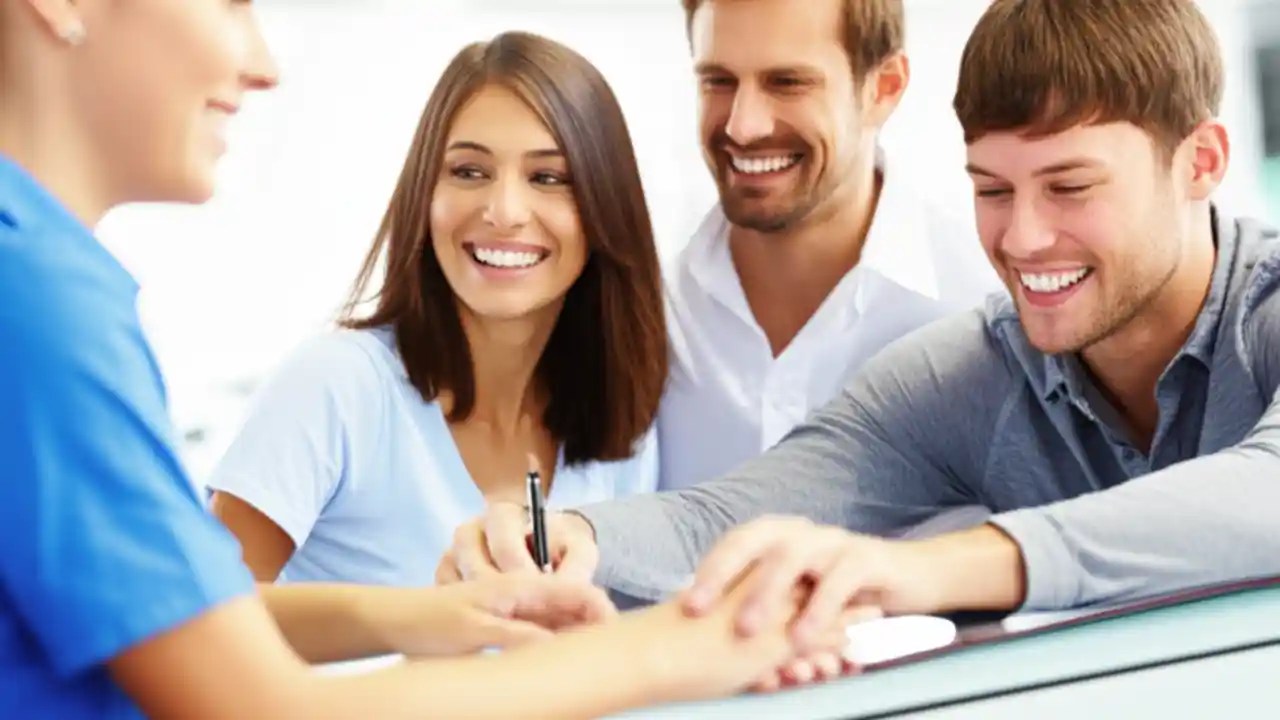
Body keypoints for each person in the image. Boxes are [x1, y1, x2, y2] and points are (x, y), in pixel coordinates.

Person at [0, 2, 846, 717]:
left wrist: (440, 618)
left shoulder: (55, 287)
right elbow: (251, 696)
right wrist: (674, 649)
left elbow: (197, 628)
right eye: (231, 0)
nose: (264, 64)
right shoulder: (38, 303)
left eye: (550, 179)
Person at [445, 0, 1280, 657]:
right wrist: (562, 538)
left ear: (1200, 162)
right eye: (992, 190)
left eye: (1069, 188)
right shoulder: (970, 372)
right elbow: (736, 516)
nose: (1022, 240)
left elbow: (1260, 494)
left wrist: (923, 570)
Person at [206, 31, 666, 588]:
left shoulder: (622, 425)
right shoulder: (337, 386)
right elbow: (197, 618)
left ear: (605, 207)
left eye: (548, 177)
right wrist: (435, 622)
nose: (504, 211)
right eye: (469, 171)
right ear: (425, 191)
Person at [653, 0, 1002, 492]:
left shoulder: (981, 320)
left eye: (787, 83)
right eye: (719, 81)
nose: (742, 125)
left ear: (884, 88)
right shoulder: (646, 308)